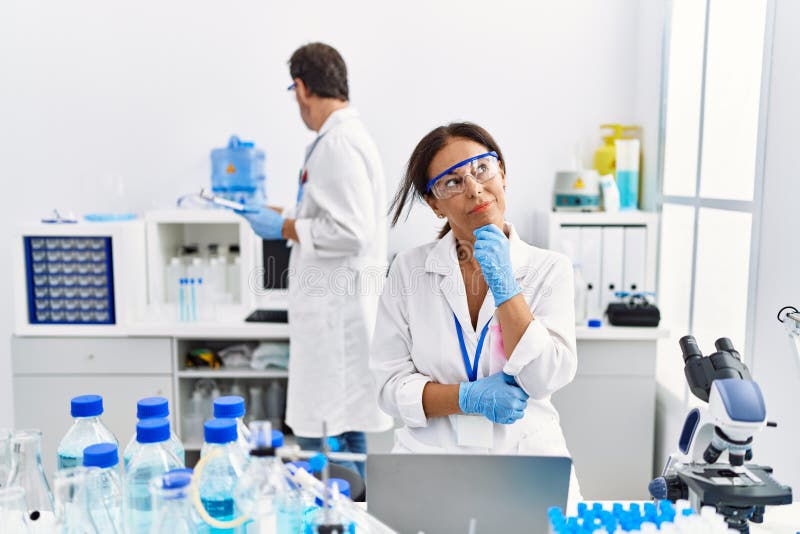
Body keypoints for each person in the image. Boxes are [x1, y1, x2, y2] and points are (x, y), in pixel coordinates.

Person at [370, 122, 582, 501]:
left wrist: (506, 287)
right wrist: (466, 397)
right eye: (451, 182)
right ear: (434, 203)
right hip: (430, 467)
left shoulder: (551, 268)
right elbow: (388, 388)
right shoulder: (408, 269)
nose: (473, 188)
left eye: (481, 168)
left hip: (526, 463)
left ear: (502, 172)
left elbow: (546, 376)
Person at [241, 43, 393, 478]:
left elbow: (350, 231)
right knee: (347, 432)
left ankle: (334, 516)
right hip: (338, 317)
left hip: (335, 324)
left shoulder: (338, 144)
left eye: (294, 92)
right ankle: (352, 511)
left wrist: (285, 228)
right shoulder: (342, 139)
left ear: (303, 87)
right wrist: (284, 215)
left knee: (324, 439)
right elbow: (334, 217)